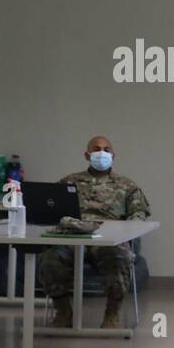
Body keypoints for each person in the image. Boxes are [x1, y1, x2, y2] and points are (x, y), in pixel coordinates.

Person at [39, 135, 150, 329]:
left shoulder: (127, 186)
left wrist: (125, 231)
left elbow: (138, 214)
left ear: (113, 155)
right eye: (97, 149)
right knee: (49, 259)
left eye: (106, 150)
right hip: (72, 238)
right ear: (87, 154)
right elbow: (51, 209)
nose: (102, 153)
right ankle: (63, 312)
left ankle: (112, 314)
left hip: (107, 239)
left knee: (119, 257)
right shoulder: (69, 182)